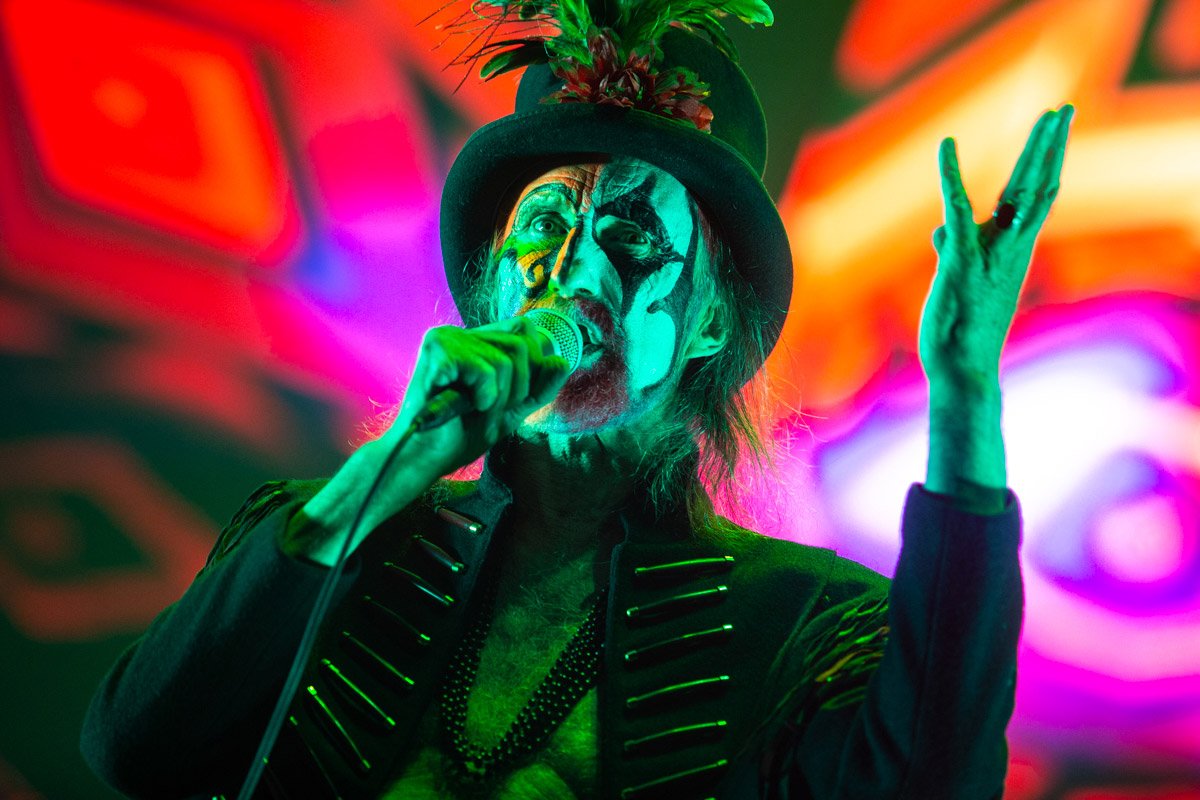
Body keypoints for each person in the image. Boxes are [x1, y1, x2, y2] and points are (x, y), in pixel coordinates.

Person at [80, 2, 1072, 798]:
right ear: (489, 289)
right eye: (545, 223)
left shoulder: (796, 627)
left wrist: (963, 395)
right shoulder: (317, 546)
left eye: (633, 239)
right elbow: (136, 750)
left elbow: (935, 779)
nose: (572, 268)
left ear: (709, 323)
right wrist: (381, 479)